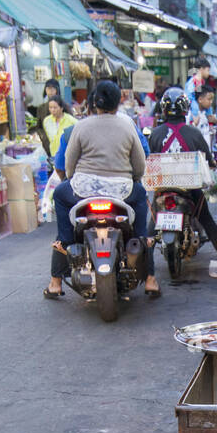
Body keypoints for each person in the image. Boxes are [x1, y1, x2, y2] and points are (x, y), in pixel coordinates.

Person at [47, 79, 159, 300]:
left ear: (93, 104)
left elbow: (69, 165)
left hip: (84, 189)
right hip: (122, 190)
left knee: (60, 194)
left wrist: (74, 179)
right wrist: (133, 179)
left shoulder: (81, 126)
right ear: (118, 103)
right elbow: (139, 165)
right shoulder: (128, 126)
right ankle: (148, 272)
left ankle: (66, 242)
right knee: (141, 203)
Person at [148, 86, 217, 271]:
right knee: (207, 220)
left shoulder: (155, 134)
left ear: (163, 110)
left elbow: (149, 159)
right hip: (190, 188)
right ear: (186, 109)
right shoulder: (194, 133)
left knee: (151, 227)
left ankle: (147, 269)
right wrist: (211, 164)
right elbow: (208, 159)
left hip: (163, 188)